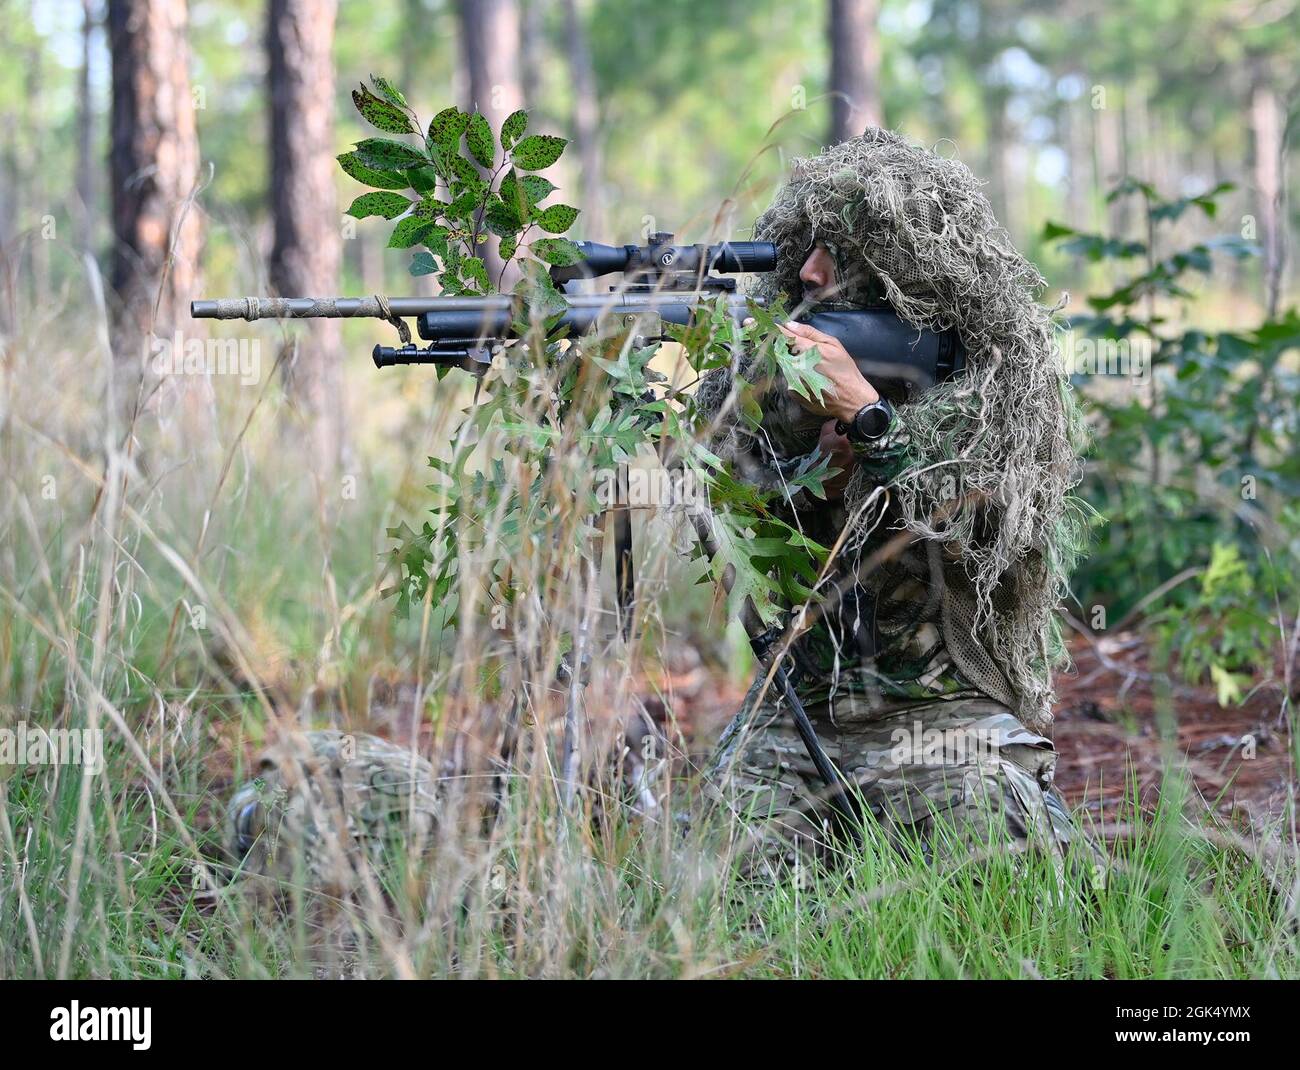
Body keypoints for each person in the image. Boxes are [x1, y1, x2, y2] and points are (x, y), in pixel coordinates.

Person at [696, 127, 1095, 876]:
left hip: (940, 714)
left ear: (905, 267)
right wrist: (804, 464)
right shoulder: (769, 374)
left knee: (1003, 879)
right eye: (806, 246)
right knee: (710, 884)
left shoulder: (996, 382)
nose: (811, 271)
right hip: (800, 712)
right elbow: (725, 520)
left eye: (839, 253)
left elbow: (977, 533)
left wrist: (871, 419)